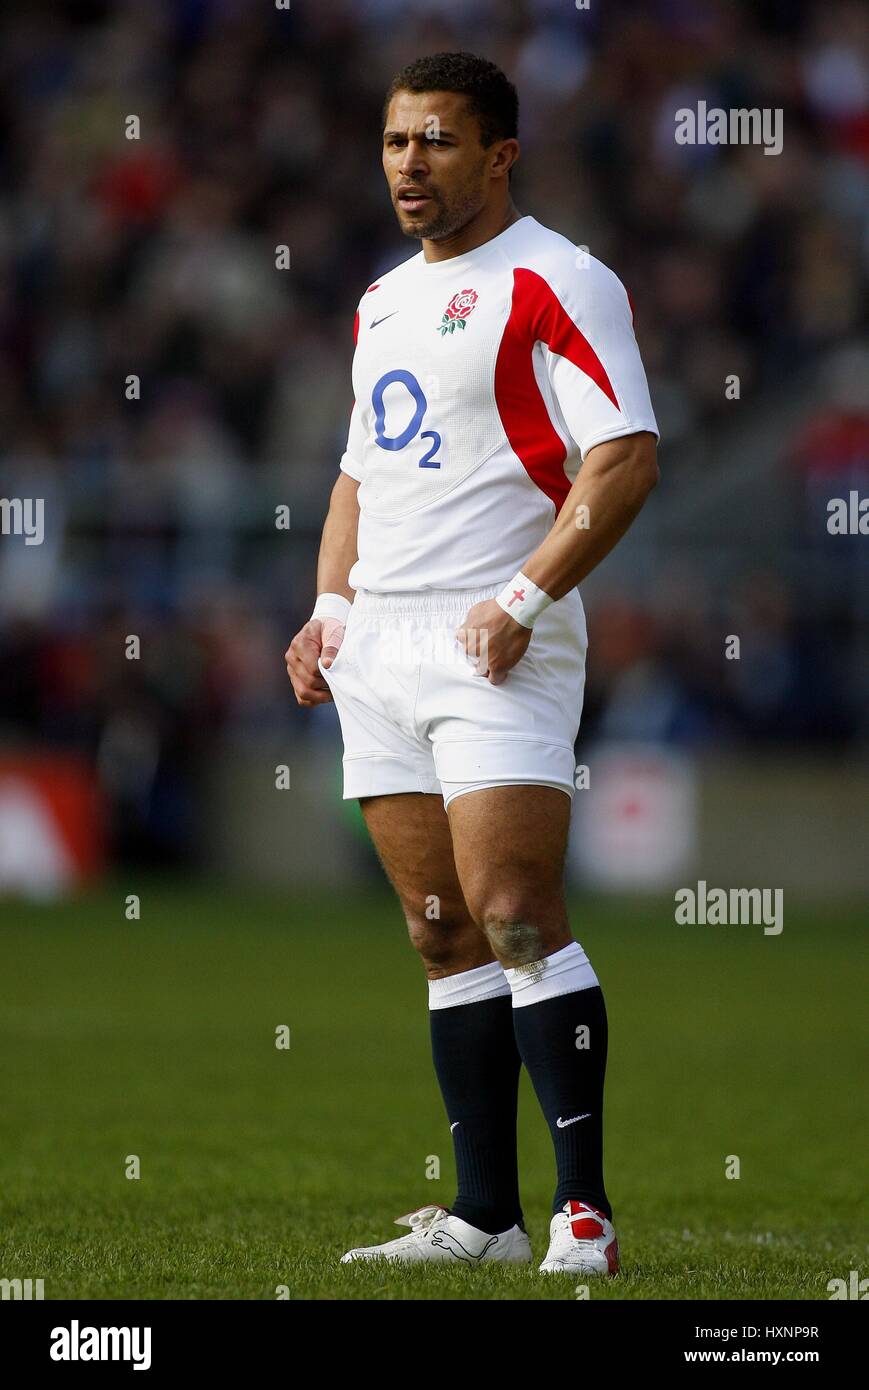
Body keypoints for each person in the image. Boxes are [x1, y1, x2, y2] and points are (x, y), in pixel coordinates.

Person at [285, 51, 659, 1275]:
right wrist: (327, 608)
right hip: (379, 641)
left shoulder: (562, 277)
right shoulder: (381, 301)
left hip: (492, 632)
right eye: (395, 141)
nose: (407, 162)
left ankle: (583, 1212)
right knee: (442, 931)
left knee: (511, 915)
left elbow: (623, 457)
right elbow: (355, 476)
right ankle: (484, 1216)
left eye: (435, 140)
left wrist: (521, 594)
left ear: (497, 154)